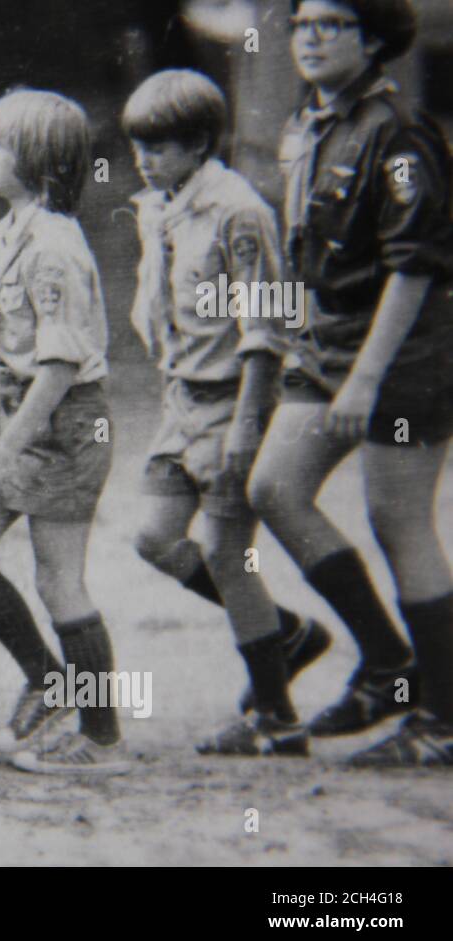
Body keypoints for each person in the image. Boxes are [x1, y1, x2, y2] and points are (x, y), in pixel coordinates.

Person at [248, 0, 453, 767]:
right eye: (303, 24)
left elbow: (415, 265)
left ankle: (442, 719)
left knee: (399, 522)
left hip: (399, 357)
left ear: (372, 40)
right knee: (274, 488)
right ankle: (390, 664)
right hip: (325, 346)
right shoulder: (309, 123)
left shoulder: (396, 133)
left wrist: (366, 379)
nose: (312, 37)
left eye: (333, 24)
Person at [123, 69, 330, 757]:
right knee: (153, 536)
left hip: (230, 404)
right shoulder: (160, 206)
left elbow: (266, 328)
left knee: (224, 551)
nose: (145, 160)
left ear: (200, 144)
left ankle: (276, 715)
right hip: (180, 403)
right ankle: (288, 635)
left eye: (161, 146)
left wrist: (248, 422)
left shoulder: (239, 211)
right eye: (138, 146)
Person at [0, 88, 128, 771]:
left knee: (60, 582)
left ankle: (102, 738)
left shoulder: (52, 245)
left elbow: (59, 366)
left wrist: (4, 449)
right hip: (22, 416)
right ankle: (50, 680)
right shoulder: (14, 230)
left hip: (62, 424)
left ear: (39, 161)